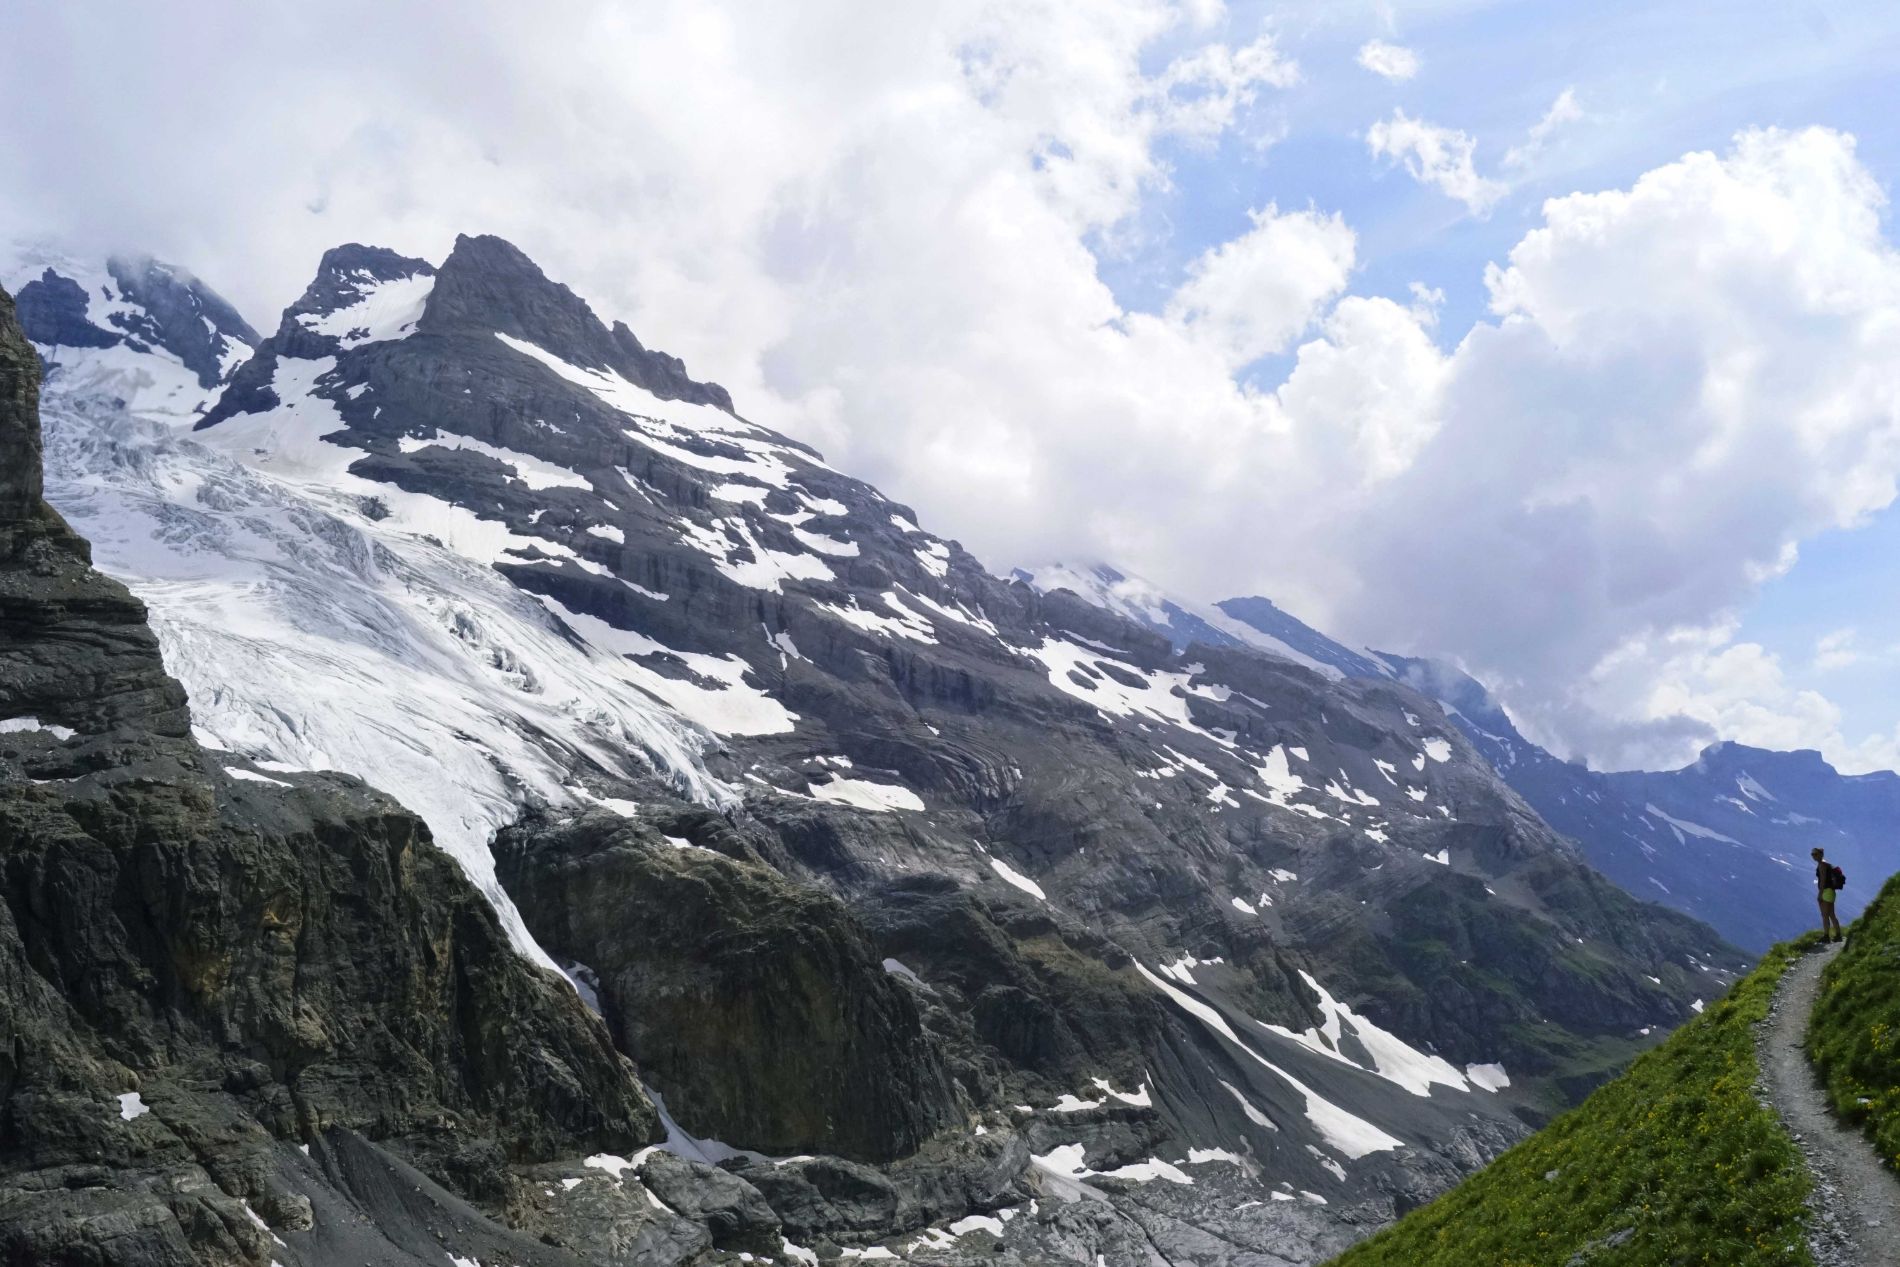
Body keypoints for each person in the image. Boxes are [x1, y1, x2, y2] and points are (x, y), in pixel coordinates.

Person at [1813, 847, 1843, 943]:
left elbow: (1822, 880)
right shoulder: (1826, 864)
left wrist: (1820, 894)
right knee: (1831, 915)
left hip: (1825, 892)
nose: (1814, 856)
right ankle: (1838, 935)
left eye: (1815, 854)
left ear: (1821, 854)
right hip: (1830, 891)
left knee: (1825, 915)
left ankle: (1826, 936)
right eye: (1812, 854)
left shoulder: (1822, 865)